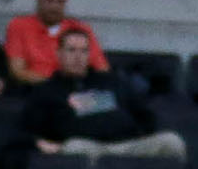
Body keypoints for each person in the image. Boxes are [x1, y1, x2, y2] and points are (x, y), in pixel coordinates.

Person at [26, 30, 186, 160]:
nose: (78, 56)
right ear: (59, 53)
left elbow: (145, 116)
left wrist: (138, 133)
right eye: (71, 50)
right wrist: (42, 144)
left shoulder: (112, 82)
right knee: (73, 148)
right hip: (88, 149)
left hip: (128, 146)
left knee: (171, 142)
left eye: (83, 51)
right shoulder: (47, 90)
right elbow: (28, 130)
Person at [5, 0, 108, 86]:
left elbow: (102, 69)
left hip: (77, 90)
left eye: (60, 2)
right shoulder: (19, 26)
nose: (54, 7)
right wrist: (54, 86)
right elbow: (17, 71)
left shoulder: (81, 29)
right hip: (35, 90)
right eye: (49, 1)